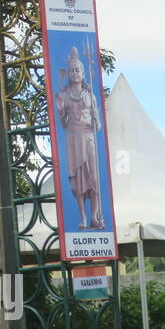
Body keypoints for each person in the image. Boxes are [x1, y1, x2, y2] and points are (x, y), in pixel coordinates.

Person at [55, 45, 105, 230]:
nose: (75, 73)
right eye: (72, 70)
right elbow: (62, 123)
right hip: (73, 139)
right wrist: (60, 111)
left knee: (93, 178)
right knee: (78, 181)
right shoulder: (64, 95)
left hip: (88, 138)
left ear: (83, 73)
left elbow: (98, 124)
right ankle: (83, 218)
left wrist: (95, 121)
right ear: (68, 73)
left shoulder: (90, 95)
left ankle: (95, 217)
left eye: (78, 70)